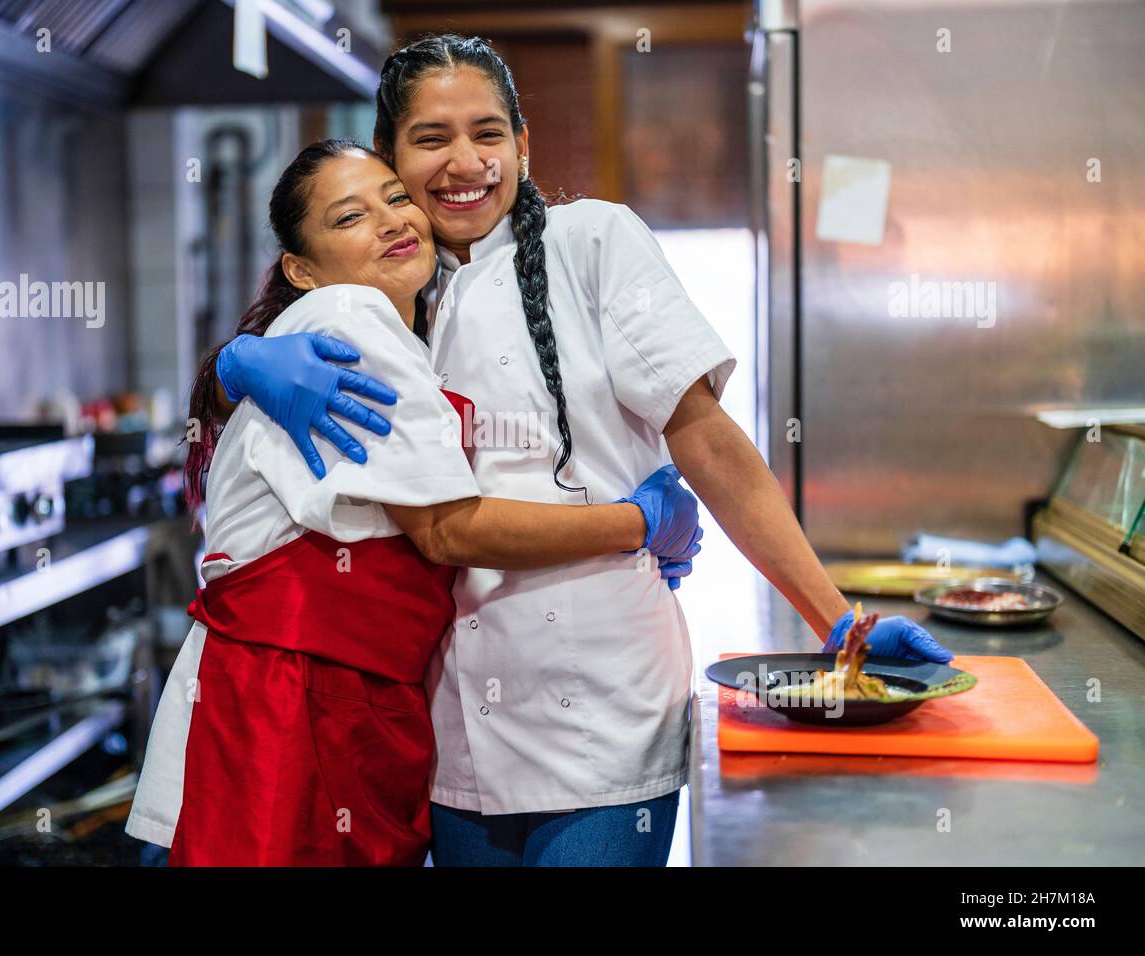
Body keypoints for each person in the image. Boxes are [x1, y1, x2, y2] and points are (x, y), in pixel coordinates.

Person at [208, 35, 954, 867]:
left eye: (488, 135)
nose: (465, 163)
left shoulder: (593, 241)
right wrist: (238, 363)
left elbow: (704, 436)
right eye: (431, 139)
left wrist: (837, 620)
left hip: (604, 714)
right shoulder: (392, 288)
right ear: (392, 160)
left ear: (524, 145)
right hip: (452, 722)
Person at [125, 139, 704, 866]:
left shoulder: (411, 328)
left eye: (395, 199)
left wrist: (231, 363)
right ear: (302, 271)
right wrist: (641, 523)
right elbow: (448, 529)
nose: (392, 221)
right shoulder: (348, 315)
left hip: (346, 702)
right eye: (350, 218)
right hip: (282, 701)